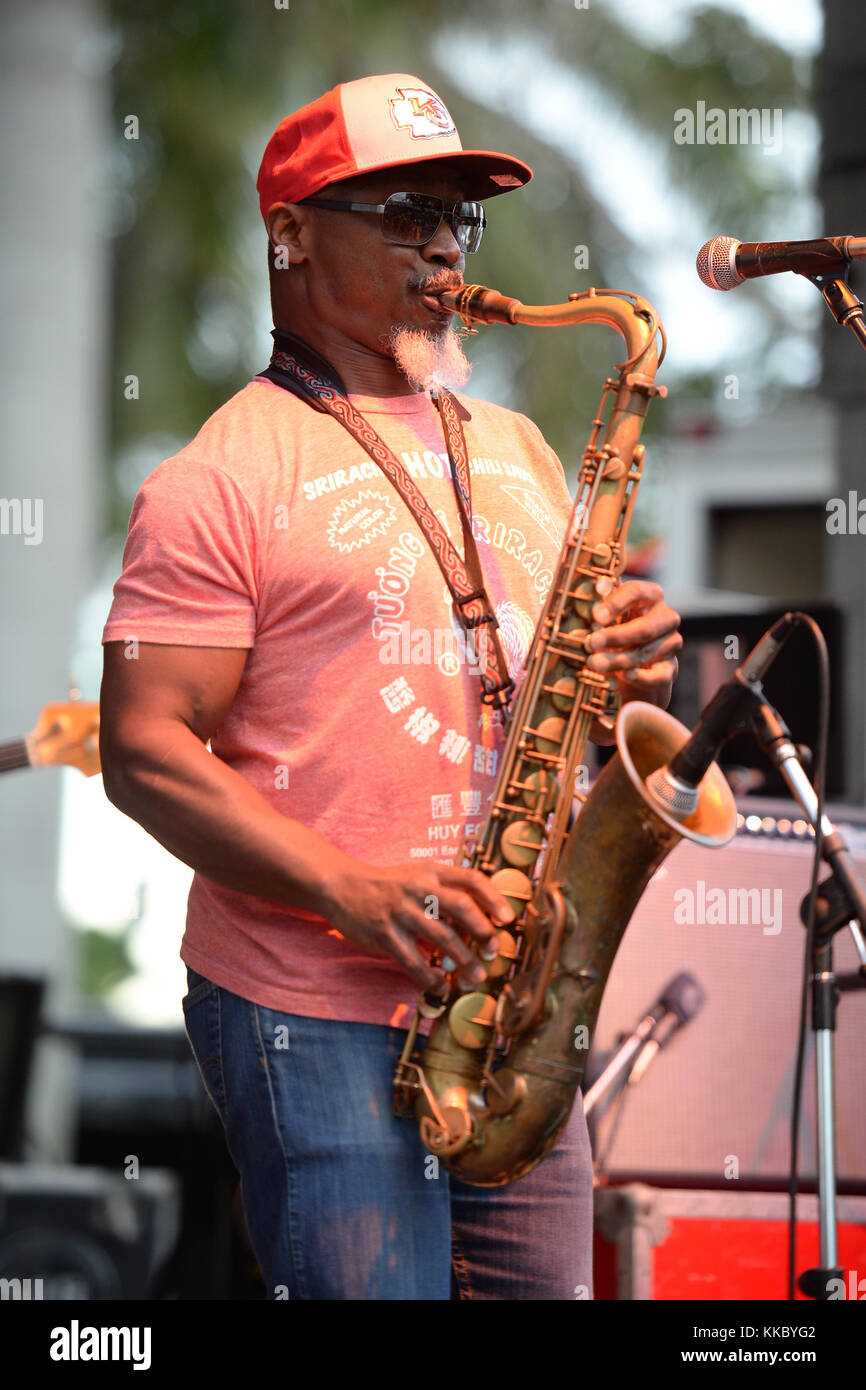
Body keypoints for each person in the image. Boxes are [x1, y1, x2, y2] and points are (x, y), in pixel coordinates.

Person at [100, 72, 682, 1301]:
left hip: (513, 1006)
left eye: (455, 215)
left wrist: (620, 653)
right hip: (307, 1005)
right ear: (290, 235)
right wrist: (353, 891)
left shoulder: (515, 448)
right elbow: (144, 751)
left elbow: (536, 681)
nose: (440, 241)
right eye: (401, 207)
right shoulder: (216, 476)